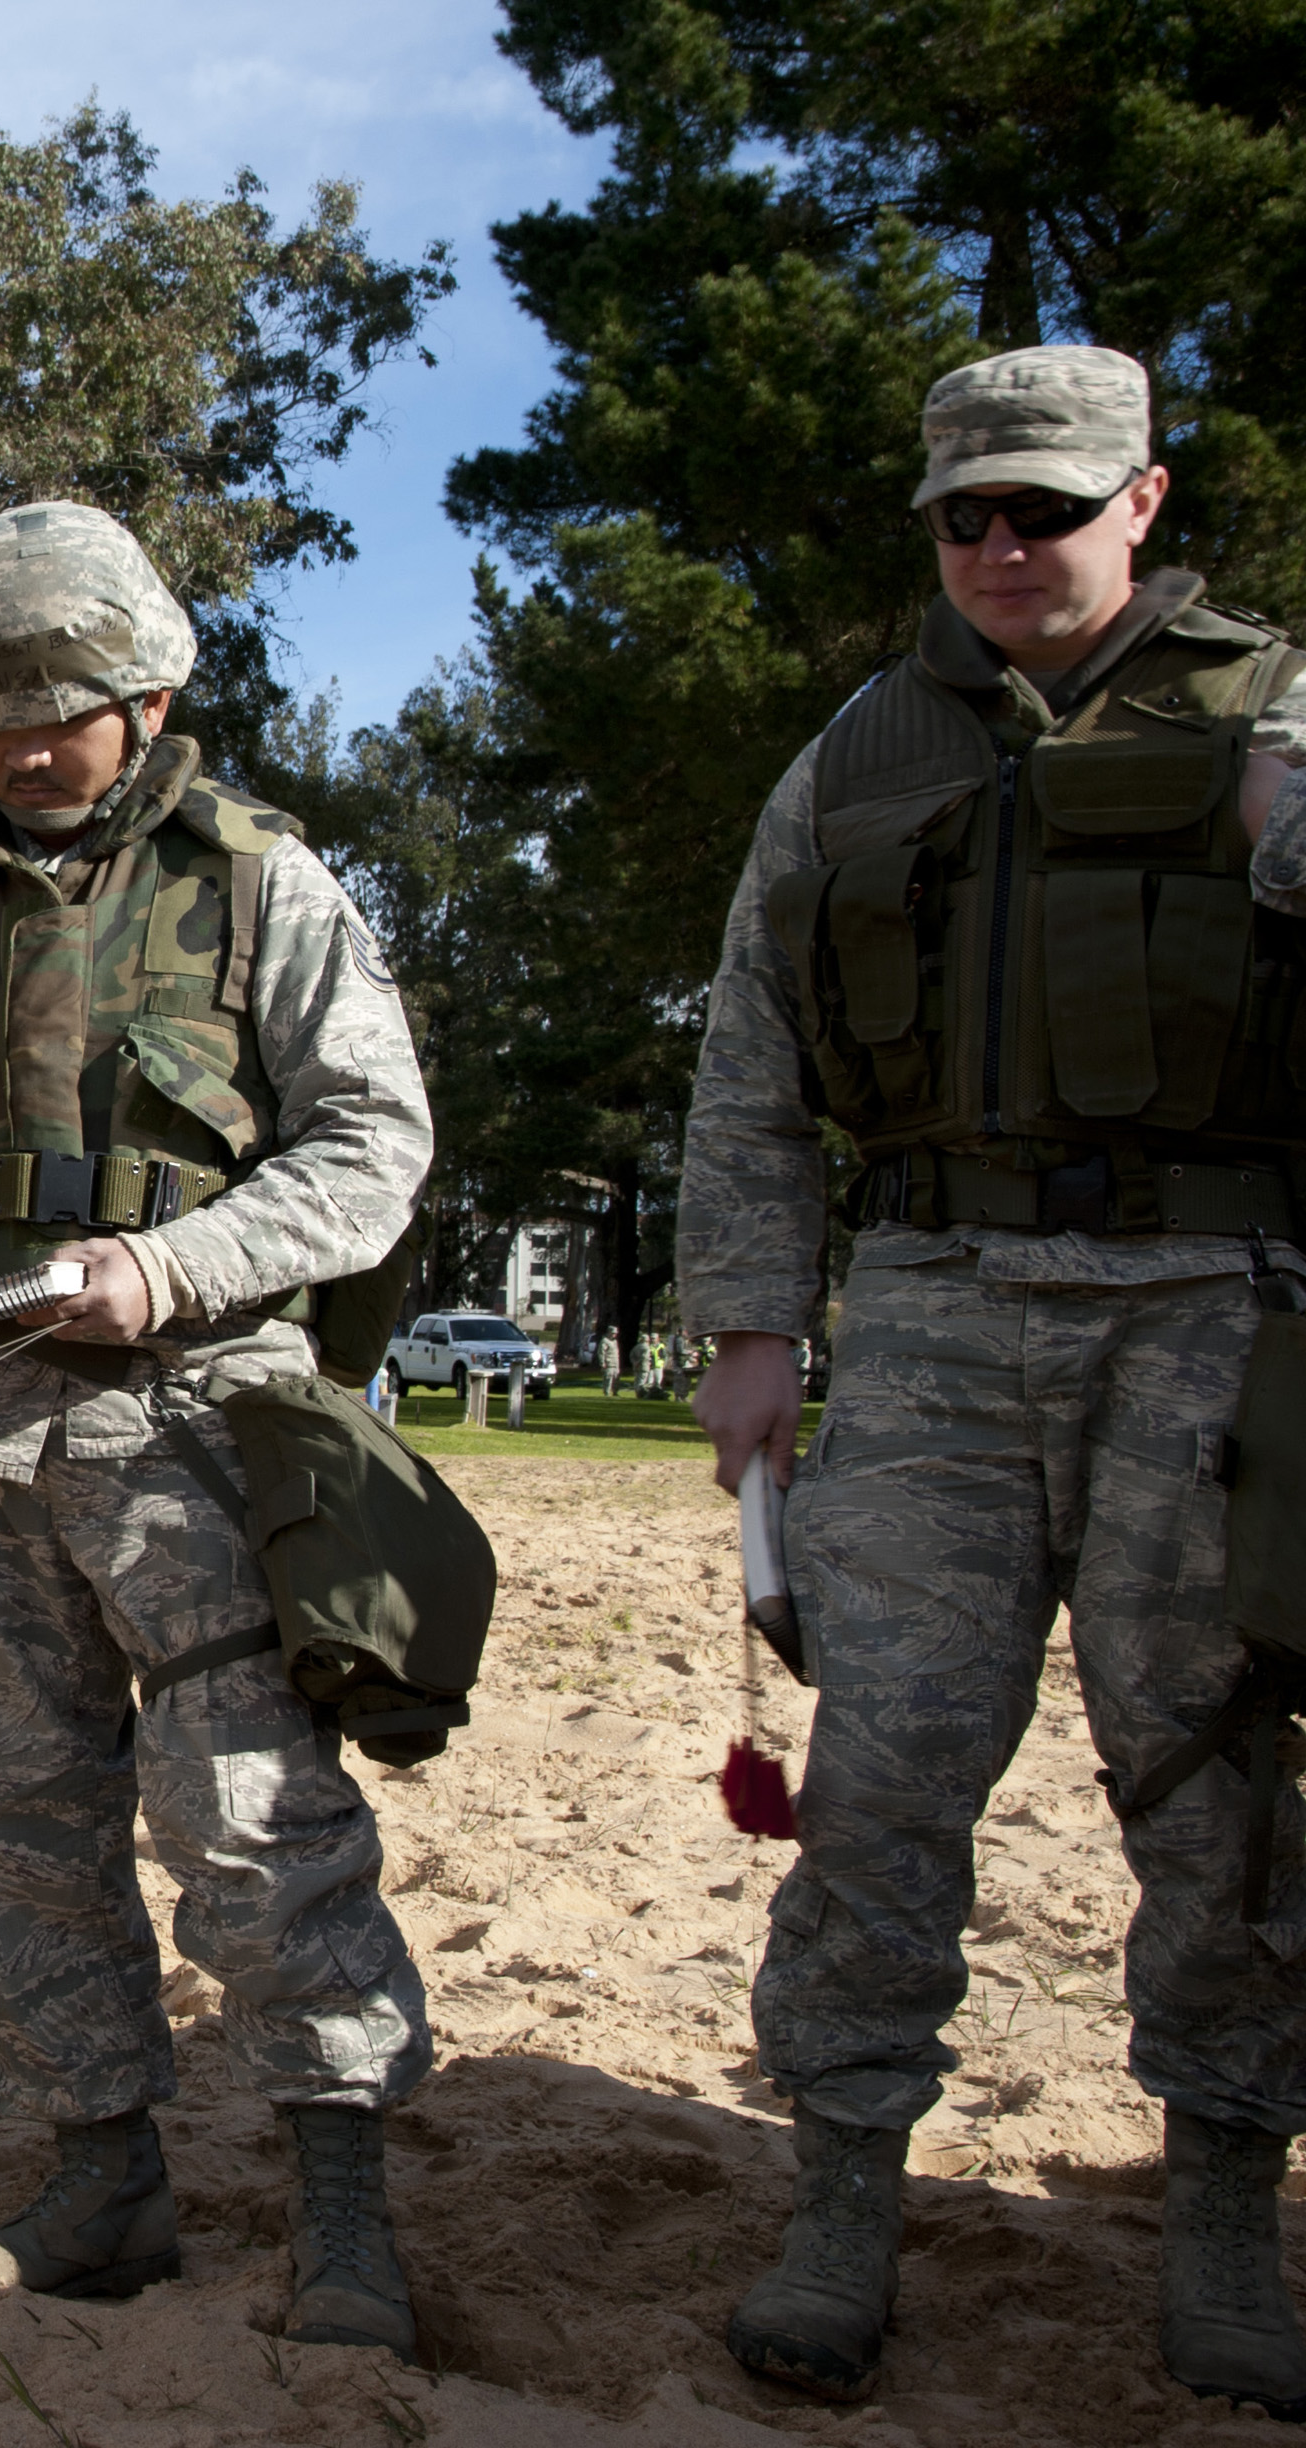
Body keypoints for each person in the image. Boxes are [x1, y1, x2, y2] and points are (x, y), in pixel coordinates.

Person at [683, 344, 1306, 2417]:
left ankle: (1220, 2202)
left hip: (1209, 1307)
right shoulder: (856, 752)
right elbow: (754, 1054)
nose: (1001, 548)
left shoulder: (1277, 713)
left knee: (1217, 1789)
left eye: (1044, 509)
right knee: (881, 1778)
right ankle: (841, 2192)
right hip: (935, 1309)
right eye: (964, 515)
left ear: (1146, 501)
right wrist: (752, 1326)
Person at [0, 501, 437, 2345]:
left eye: (63, 712)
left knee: (259, 1821)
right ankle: (101, 2173)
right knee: (14, 1824)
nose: (28, 750)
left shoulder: (262, 882)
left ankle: (342, 2200)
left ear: (147, 694)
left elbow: (372, 1151)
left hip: (197, 1424)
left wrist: (178, 1265)